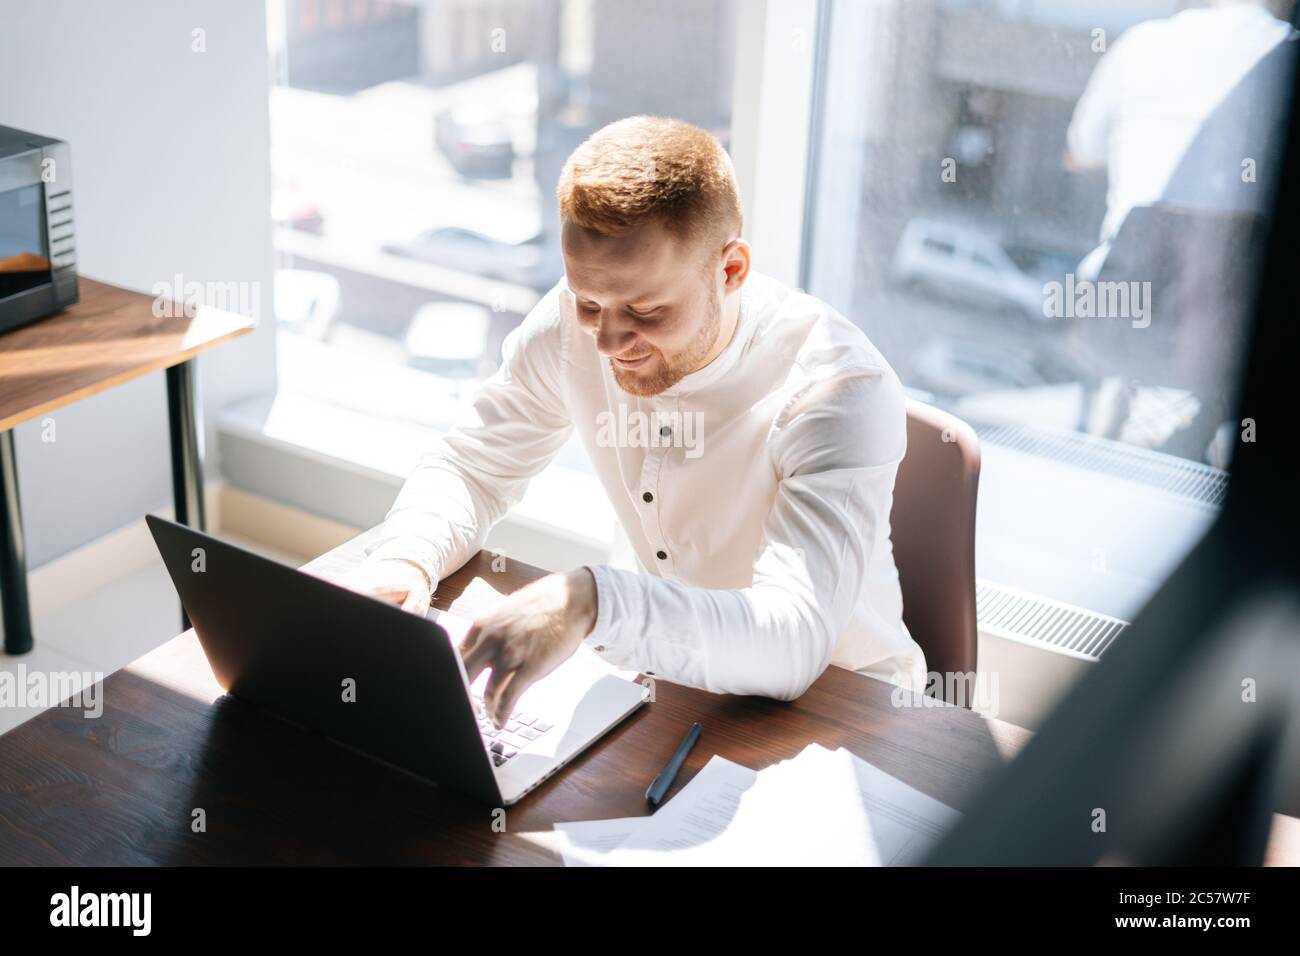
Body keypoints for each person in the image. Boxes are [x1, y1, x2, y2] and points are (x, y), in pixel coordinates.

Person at [343, 116, 925, 727]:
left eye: (646, 310)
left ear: (730, 271)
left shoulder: (840, 390)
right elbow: (473, 466)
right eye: (589, 302)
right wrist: (404, 560)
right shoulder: (577, 322)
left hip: (850, 718)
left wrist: (592, 601)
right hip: (676, 686)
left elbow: (792, 636)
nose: (609, 340)